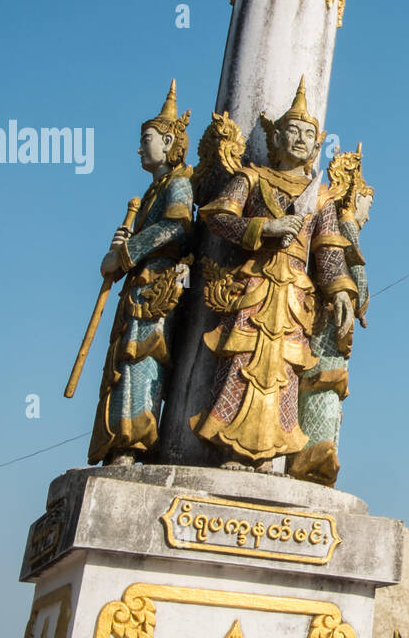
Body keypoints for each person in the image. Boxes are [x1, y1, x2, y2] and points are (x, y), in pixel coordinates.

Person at [190, 77, 356, 475]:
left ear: (318, 145)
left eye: (309, 134)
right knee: (242, 361)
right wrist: (263, 229)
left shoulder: (320, 196)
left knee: (285, 371)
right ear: (276, 138)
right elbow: (217, 216)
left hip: (296, 294)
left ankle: (270, 453)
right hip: (256, 282)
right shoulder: (252, 178)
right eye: (293, 131)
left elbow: (329, 250)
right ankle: (231, 447)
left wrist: (342, 293)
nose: (300, 139)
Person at [88, 80, 194, 465]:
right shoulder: (153, 191)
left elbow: (177, 227)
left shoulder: (179, 183)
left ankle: (135, 441)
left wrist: (126, 254)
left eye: (147, 137)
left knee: (141, 359)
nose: (140, 146)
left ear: (169, 142)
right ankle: (119, 441)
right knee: (124, 360)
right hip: (140, 284)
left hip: (158, 285)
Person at [294, 147, 373, 485]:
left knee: (325, 395)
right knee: (322, 392)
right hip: (325, 329)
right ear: (355, 200)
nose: (368, 213)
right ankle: (311, 464)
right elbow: (358, 288)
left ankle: (313, 463)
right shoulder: (345, 230)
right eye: (368, 204)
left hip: (327, 330)